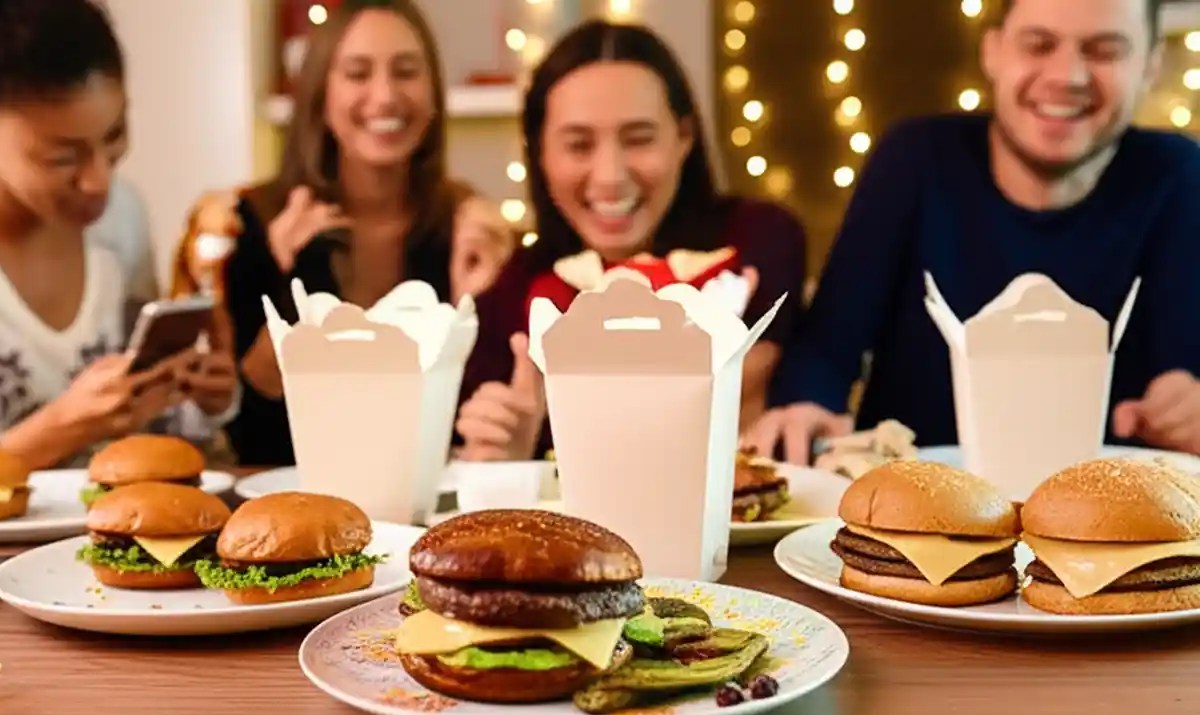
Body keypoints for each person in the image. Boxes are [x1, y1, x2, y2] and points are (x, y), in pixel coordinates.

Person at [748, 0, 1200, 464]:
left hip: (1112, 519)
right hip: (913, 511)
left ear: (1150, 66)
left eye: (1104, 51)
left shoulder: (1178, 175)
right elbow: (827, 347)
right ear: (993, 52)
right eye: (1039, 45)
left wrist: (1186, 406)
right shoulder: (915, 158)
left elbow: (1184, 364)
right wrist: (807, 406)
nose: (1067, 76)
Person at [169, 0, 514, 466]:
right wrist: (279, 280)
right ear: (320, 94)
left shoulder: (466, 225)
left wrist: (478, 301)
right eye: (357, 73)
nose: (385, 95)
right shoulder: (250, 224)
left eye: (407, 71)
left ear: (433, 92)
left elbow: (479, 419)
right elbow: (246, 436)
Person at [453, 20, 808, 462]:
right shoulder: (513, 294)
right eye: (579, 145)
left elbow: (740, 403)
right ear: (540, 153)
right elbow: (479, 457)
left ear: (683, 137)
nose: (611, 177)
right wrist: (510, 452)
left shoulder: (757, 242)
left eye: (639, 139)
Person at [0, 0, 238, 470]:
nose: (98, 182)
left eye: (114, 137)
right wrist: (56, 430)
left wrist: (202, 396)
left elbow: (151, 428)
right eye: (62, 158)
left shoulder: (122, 216)